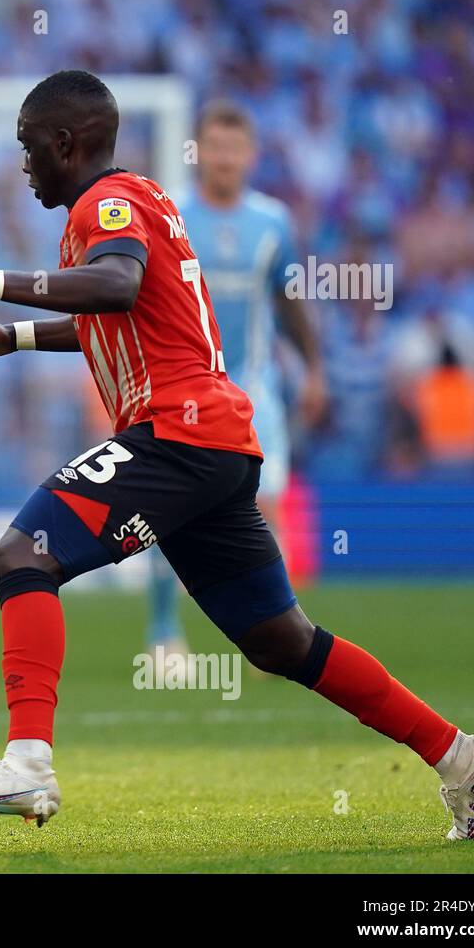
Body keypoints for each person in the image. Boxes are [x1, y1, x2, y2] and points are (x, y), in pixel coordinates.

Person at [0, 70, 474, 840]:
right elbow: (128, 312)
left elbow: (118, 286)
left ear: (66, 141)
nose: (24, 164)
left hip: (177, 435)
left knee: (24, 553)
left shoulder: (109, 204)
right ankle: (462, 756)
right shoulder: (137, 201)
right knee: (279, 639)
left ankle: (26, 765)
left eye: (29, 147)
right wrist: (14, 335)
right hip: (215, 443)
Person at [144, 100, 325, 651]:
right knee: (163, 509)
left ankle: (273, 637)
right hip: (183, 387)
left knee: (266, 509)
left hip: (254, 387)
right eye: (214, 147)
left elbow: (288, 300)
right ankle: (164, 633)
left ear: (251, 155)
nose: (224, 159)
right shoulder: (172, 214)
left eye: (235, 147)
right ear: (198, 151)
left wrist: (314, 369)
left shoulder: (272, 222)